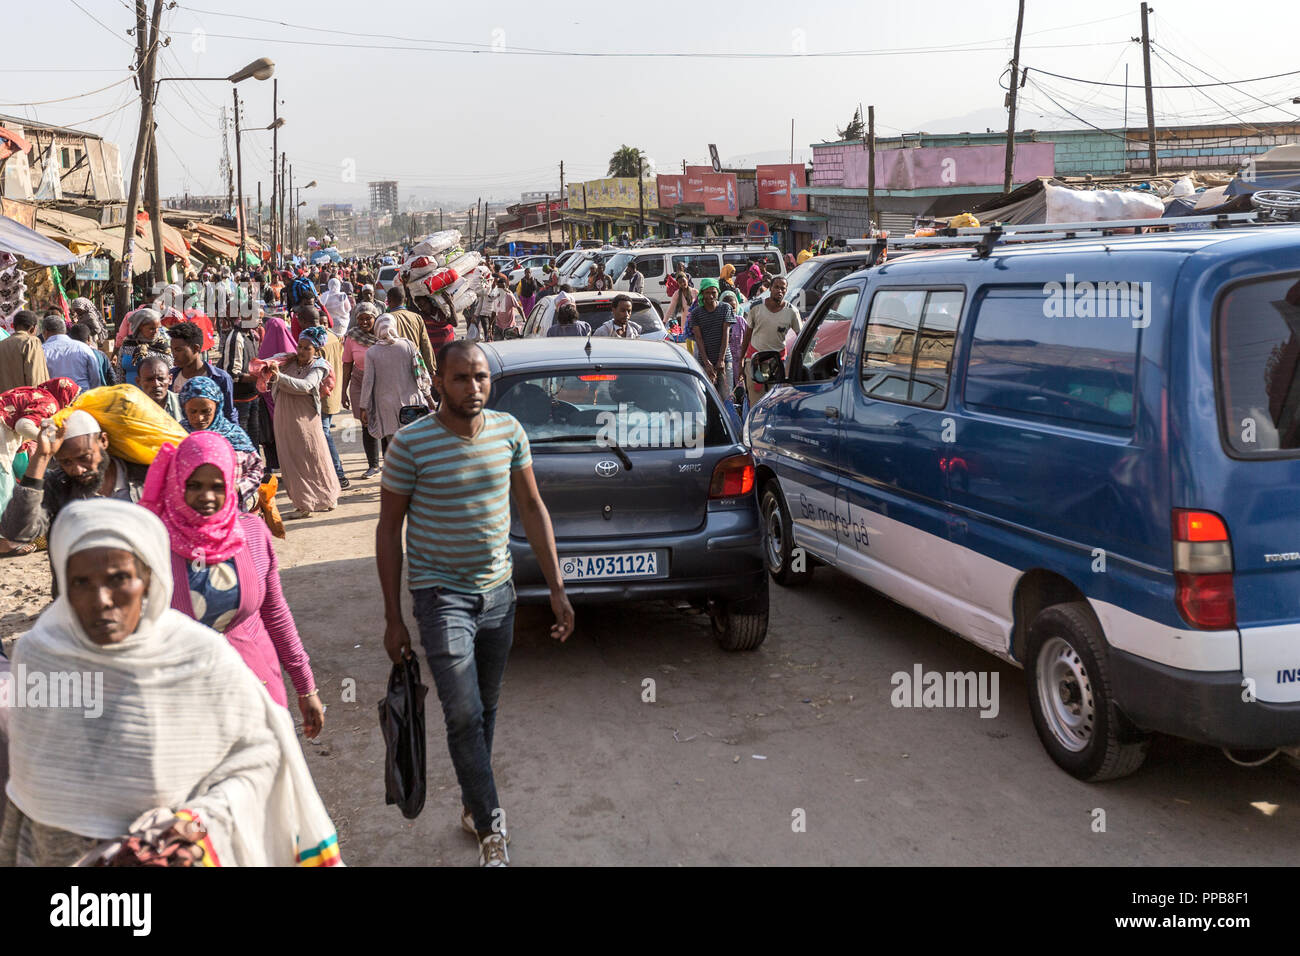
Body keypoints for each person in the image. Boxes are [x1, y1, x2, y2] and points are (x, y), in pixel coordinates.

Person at [0, 499, 340, 867]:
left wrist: (189, 827)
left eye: (118, 579)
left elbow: (263, 757)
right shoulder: (41, 656)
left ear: (149, 578)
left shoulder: (199, 656)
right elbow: (30, 793)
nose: (101, 600)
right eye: (80, 582)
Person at [376, 340, 573, 868]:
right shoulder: (411, 445)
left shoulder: (509, 433)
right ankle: (491, 828)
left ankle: (472, 803)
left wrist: (556, 587)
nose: (474, 387)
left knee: (484, 708)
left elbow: (531, 507)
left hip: (499, 595)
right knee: (462, 713)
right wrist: (394, 617)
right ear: (438, 381)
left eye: (481, 377)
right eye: (461, 378)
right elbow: (388, 529)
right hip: (440, 597)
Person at [140, 431, 321, 727]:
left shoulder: (251, 532)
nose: (207, 497)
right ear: (176, 482)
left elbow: (275, 614)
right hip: (185, 710)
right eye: (194, 485)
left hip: (259, 695)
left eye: (217, 485)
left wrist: (306, 686)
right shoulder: (152, 543)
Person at [0, 410, 149, 551]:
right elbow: (17, 532)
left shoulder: (142, 478)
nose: (78, 470)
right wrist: (42, 456)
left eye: (84, 457)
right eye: (66, 462)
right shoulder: (56, 486)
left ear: (103, 441)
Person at [266, 327, 340, 520]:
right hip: (285, 416)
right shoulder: (286, 361)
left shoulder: (319, 366)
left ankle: (327, 497)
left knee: (315, 456)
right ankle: (303, 504)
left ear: (316, 350)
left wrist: (279, 376)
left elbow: (306, 386)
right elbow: (268, 363)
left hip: (306, 418)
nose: (301, 351)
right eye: (300, 346)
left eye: (307, 348)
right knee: (291, 460)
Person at [178, 376, 264, 511]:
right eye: (193, 411)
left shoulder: (234, 435)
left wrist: (239, 487)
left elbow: (256, 468)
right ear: (184, 409)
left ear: (217, 407)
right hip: (189, 512)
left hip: (233, 511)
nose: (199, 418)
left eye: (206, 411)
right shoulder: (178, 435)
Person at [360, 316, 426, 454]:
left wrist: (363, 406)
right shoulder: (408, 345)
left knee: (395, 446)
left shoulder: (371, 352)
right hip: (411, 403)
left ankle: (398, 471)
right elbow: (420, 373)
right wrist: (428, 396)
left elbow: (368, 382)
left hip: (386, 407)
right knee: (414, 443)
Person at [739, 275, 802, 405]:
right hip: (755, 360)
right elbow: (748, 334)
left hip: (777, 363)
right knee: (757, 404)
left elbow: (801, 336)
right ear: (770, 288)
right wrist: (741, 359)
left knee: (776, 403)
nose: (779, 290)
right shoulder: (756, 308)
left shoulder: (792, 312)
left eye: (782, 288)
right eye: (776, 287)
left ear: (786, 291)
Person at [168, 321, 236, 424]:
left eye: (178, 350)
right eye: (172, 350)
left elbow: (229, 415)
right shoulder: (170, 378)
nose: (174, 354)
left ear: (196, 348)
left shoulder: (220, 379)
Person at [342, 302, 381, 478]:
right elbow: (347, 365)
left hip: (381, 382)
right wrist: (343, 390)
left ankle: (391, 462)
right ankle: (373, 465)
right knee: (366, 423)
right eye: (361, 319)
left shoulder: (384, 335)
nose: (364, 322)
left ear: (376, 318)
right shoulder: (351, 337)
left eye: (368, 319)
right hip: (359, 381)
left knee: (385, 422)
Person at [318, 316, 351, 490]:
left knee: (324, 435)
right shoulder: (333, 337)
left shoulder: (319, 341)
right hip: (333, 394)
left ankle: (339, 475)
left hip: (324, 396)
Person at [217, 308, 262, 433]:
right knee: (243, 434)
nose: (260, 321)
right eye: (257, 317)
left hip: (253, 395)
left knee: (254, 435)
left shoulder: (251, 335)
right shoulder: (236, 338)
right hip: (240, 399)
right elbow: (232, 373)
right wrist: (256, 378)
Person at [688, 278, 735, 393]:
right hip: (704, 360)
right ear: (702, 293)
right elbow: (698, 339)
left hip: (725, 359)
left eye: (713, 292)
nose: (710, 296)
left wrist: (721, 360)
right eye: (707, 292)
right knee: (707, 397)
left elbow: (725, 334)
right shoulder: (696, 313)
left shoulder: (725, 308)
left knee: (726, 396)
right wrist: (707, 363)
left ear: (718, 292)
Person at [382, 286, 437, 374]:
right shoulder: (417, 317)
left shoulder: (386, 319)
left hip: (396, 368)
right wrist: (431, 369)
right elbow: (426, 345)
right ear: (406, 300)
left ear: (388, 302)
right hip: (416, 367)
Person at [40, 316, 103, 393]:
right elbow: (95, 378)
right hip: (83, 398)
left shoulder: (41, 351)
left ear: (45, 332)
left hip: (55, 400)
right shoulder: (83, 348)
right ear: (65, 330)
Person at [115, 308, 172, 387]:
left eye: (158, 328)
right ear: (140, 327)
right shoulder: (127, 344)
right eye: (151, 329)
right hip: (130, 395)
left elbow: (170, 372)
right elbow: (120, 373)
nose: (156, 332)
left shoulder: (162, 347)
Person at [0, 311, 50, 393]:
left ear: (14, 326)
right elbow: (36, 378)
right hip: (26, 401)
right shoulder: (31, 342)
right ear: (33, 328)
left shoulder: (2, 344)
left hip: (4, 402)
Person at [137, 353, 183, 421]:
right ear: (138, 382)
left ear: (170, 379)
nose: (156, 384)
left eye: (160, 379)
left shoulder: (184, 404)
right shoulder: (132, 409)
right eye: (149, 379)